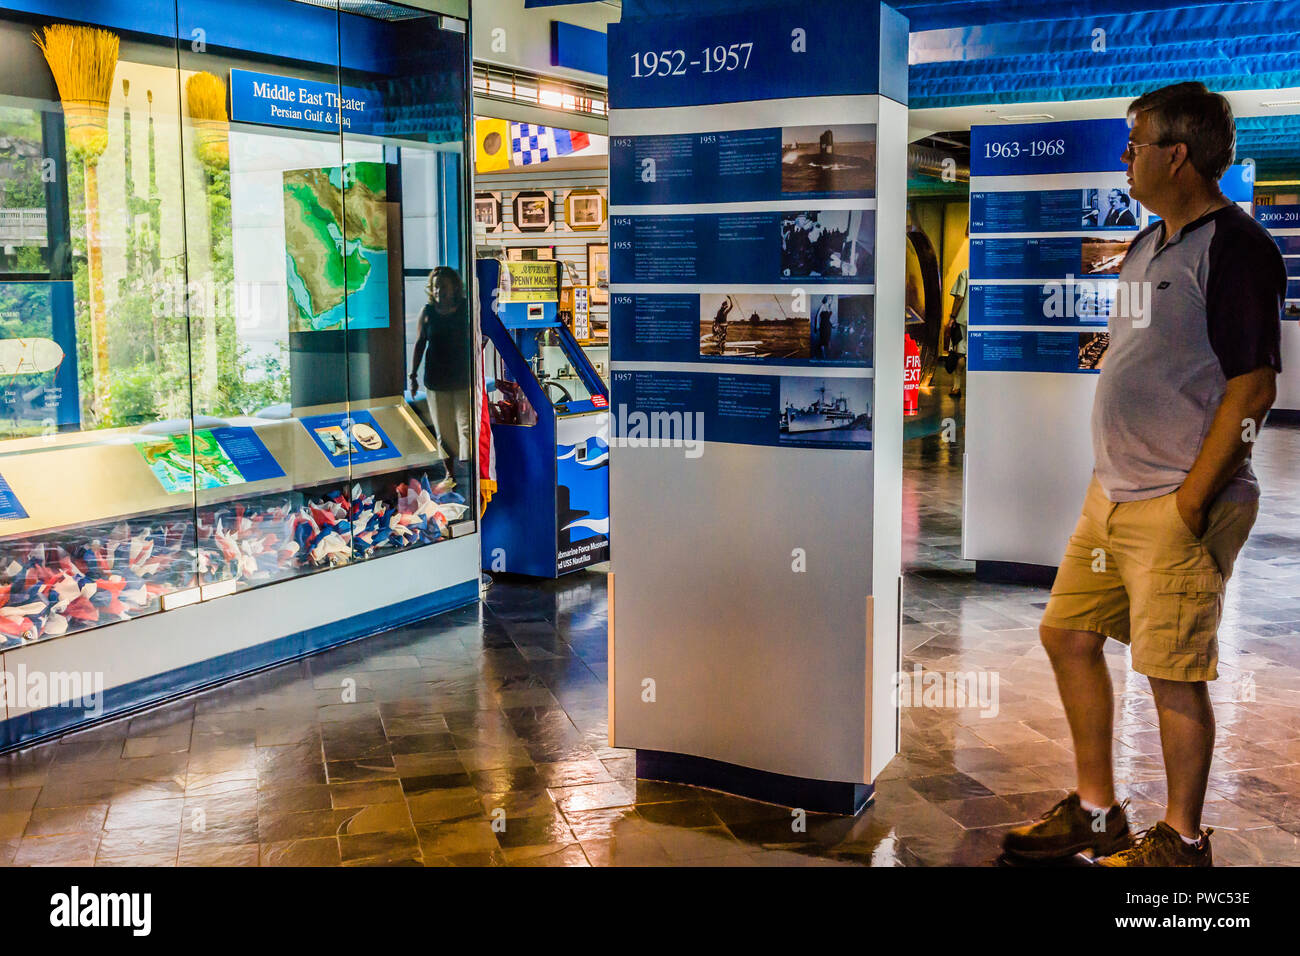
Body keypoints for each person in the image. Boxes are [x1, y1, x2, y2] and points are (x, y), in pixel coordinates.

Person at [1002, 82, 1284, 867]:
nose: (1124, 158)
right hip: (1113, 494)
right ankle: (1097, 814)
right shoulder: (1147, 242)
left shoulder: (1238, 249)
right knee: (1066, 633)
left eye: (1135, 143)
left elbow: (1254, 385)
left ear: (1177, 155)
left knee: (1171, 672)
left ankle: (1184, 841)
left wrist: (1194, 500)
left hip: (1181, 498)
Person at [410, 266, 473, 484]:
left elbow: (476, 338)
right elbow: (419, 344)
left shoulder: (466, 309)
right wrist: (413, 376)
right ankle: (450, 474)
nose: (438, 291)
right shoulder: (427, 313)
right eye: (435, 287)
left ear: (454, 288)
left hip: (463, 379)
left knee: (466, 426)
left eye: (443, 287)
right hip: (436, 381)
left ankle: (470, 472)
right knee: (443, 430)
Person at [946, 266, 968, 396]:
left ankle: (956, 387)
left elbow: (959, 296)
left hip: (963, 319)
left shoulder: (965, 273)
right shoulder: (986, 273)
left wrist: (952, 316)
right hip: (982, 321)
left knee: (960, 353)